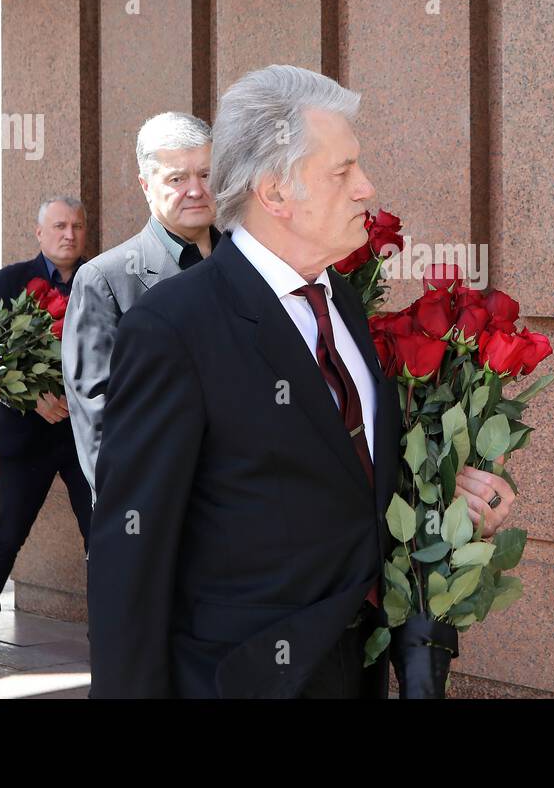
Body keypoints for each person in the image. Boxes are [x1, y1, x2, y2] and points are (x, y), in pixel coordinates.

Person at [86, 65, 516, 697]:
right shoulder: (174, 326)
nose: (367, 188)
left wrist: (454, 501)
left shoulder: (339, 299)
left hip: (357, 669)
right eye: (343, 172)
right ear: (274, 193)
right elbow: (132, 547)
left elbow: (342, 475)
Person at [63, 112, 218, 497]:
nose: (196, 190)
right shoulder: (105, 279)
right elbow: (96, 417)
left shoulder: (250, 264)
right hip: (161, 505)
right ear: (146, 186)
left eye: (205, 174)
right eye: (177, 179)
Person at [0, 195, 91, 660]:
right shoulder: (9, 281)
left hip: (86, 436)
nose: (69, 234)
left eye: (77, 226)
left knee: (103, 533)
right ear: (39, 233)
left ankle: (111, 631)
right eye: (59, 226)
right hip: (27, 434)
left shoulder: (101, 278)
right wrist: (31, 397)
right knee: (9, 530)